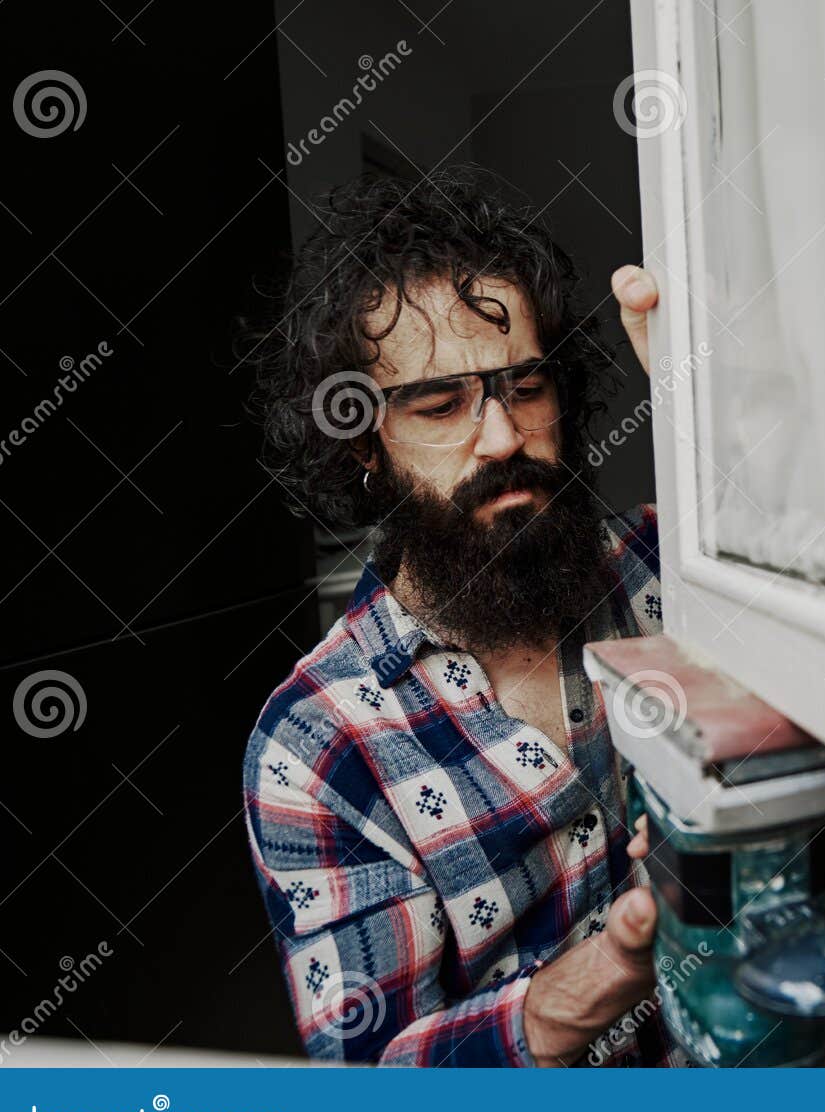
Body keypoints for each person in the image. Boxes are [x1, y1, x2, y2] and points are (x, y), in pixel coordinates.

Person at [240, 169, 669, 1065]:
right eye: (440, 404)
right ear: (364, 439)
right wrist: (603, 975)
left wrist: (702, 388)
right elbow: (378, 1076)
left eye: (526, 387)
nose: (504, 438)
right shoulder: (319, 743)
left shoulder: (665, 569)